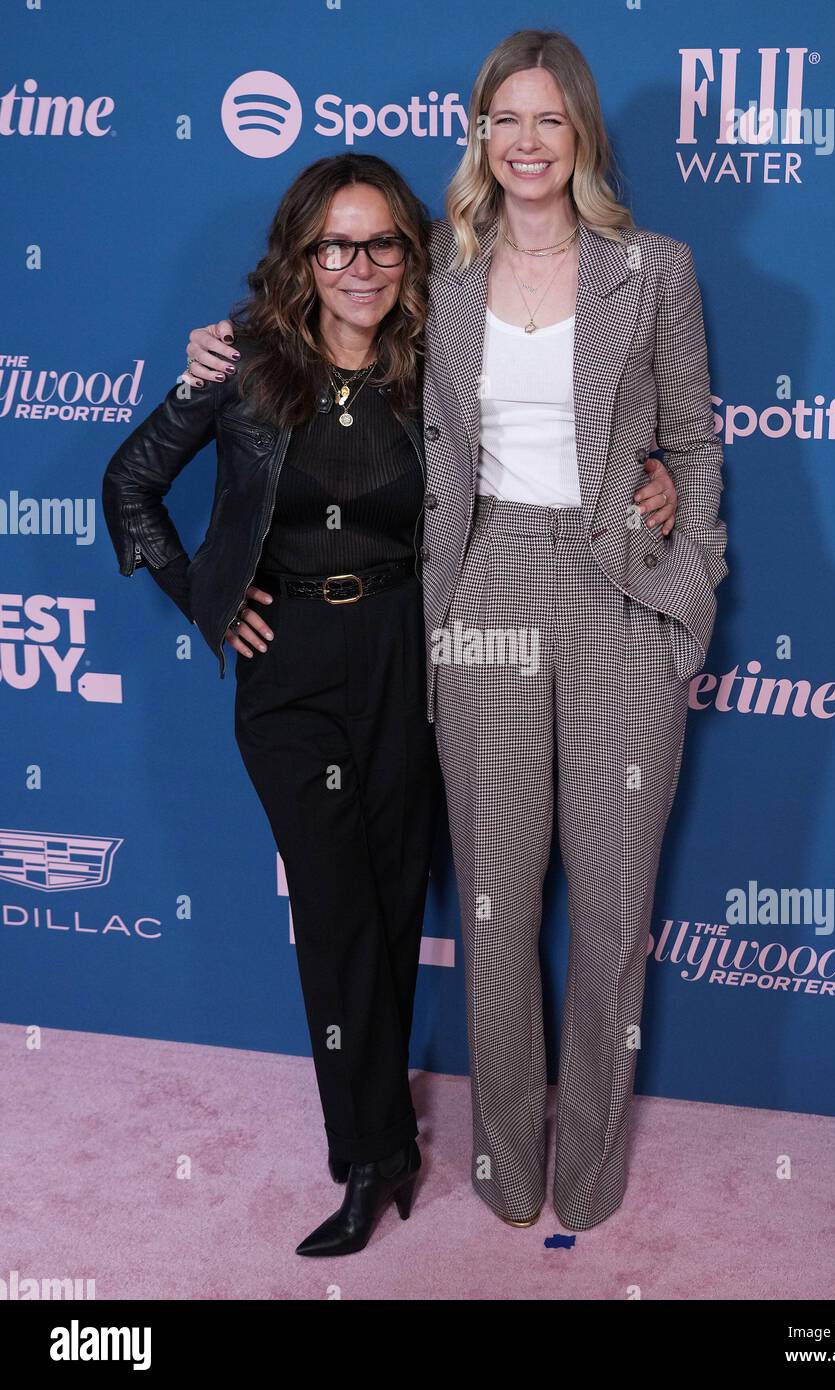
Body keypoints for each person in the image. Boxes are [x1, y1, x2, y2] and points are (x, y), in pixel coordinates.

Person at [182, 29, 708, 1234]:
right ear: (479, 136)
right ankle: (502, 1162)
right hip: (477, 595)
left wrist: (690, 573)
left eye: (548, 120)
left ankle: (591, 1161)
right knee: (495, 903)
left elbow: (699, 439)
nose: (525, 143)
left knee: (617, 902)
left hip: (616, 579)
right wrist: (211, 356)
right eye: (502, 120)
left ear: (579, 134)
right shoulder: (442, 277)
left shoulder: (655, 269)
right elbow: (322, 321)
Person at [102, 154, 442, 1257]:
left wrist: (652, 469)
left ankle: (385, 1136)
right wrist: (204, 597)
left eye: (382, 242)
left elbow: (542, 452)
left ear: (410, 253)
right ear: (300, 257)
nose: (359, 267)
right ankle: (366, 1158)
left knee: (392, 902)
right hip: (288, 672)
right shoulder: (241, 364)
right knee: (337, 908)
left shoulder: (439, 364)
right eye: (334, 245)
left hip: (410, 658)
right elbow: (128, 484)